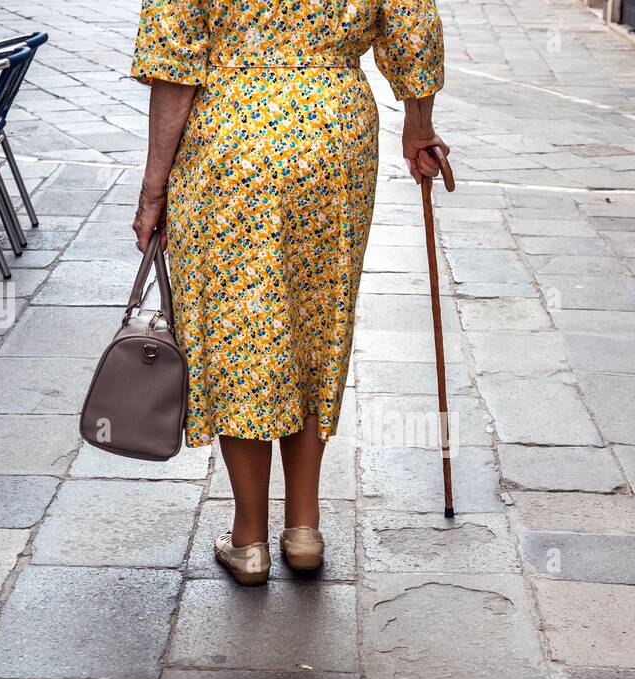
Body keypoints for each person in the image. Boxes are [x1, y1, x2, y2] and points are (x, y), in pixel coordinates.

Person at [130, 0, 449, 585]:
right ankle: (304, 528)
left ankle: (249, 538)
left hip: (229, 139)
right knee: (317, 318)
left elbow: (174, 63)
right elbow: (414, 26)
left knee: (238, 330)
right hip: (335, 136)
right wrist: (419, 124)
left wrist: (154, 188)